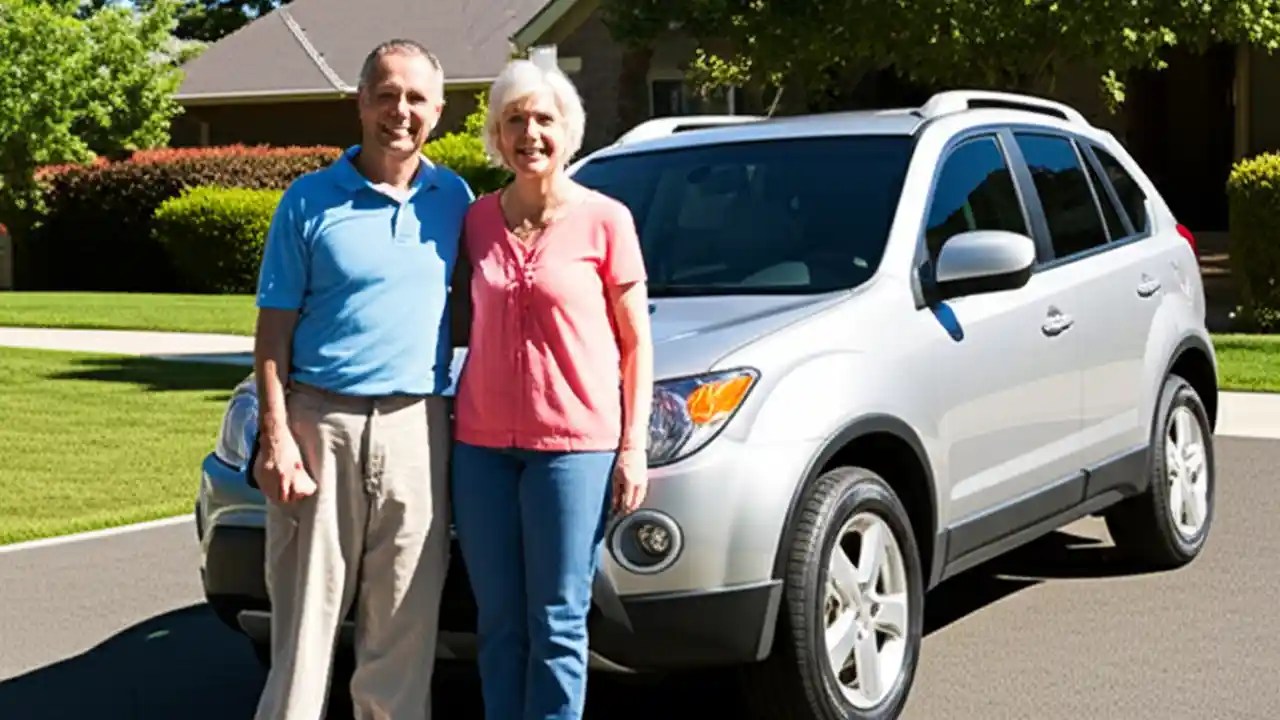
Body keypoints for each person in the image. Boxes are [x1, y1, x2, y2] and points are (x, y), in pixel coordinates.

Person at [250, 39, 472, 720]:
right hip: (323, 425)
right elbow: (271, 334)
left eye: (414, 98)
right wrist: (276, 438)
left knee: (403, 630)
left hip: (418, 427)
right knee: (305, 626)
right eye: (386, 95)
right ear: (361, 102)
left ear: (437, 110)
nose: (399, 111)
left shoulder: (455, 200)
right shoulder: (310, 200)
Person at [448, 58, 654, 720]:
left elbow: (635, 343)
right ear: (496, 135)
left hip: (574, 448)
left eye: (543, 118)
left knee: (559, 622)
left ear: (568, 130)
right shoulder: (476, 220)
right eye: (514, 120)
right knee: (498, 622)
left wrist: (633, 447)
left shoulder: (606, 220)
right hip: (480, 447)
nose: (529, 132)